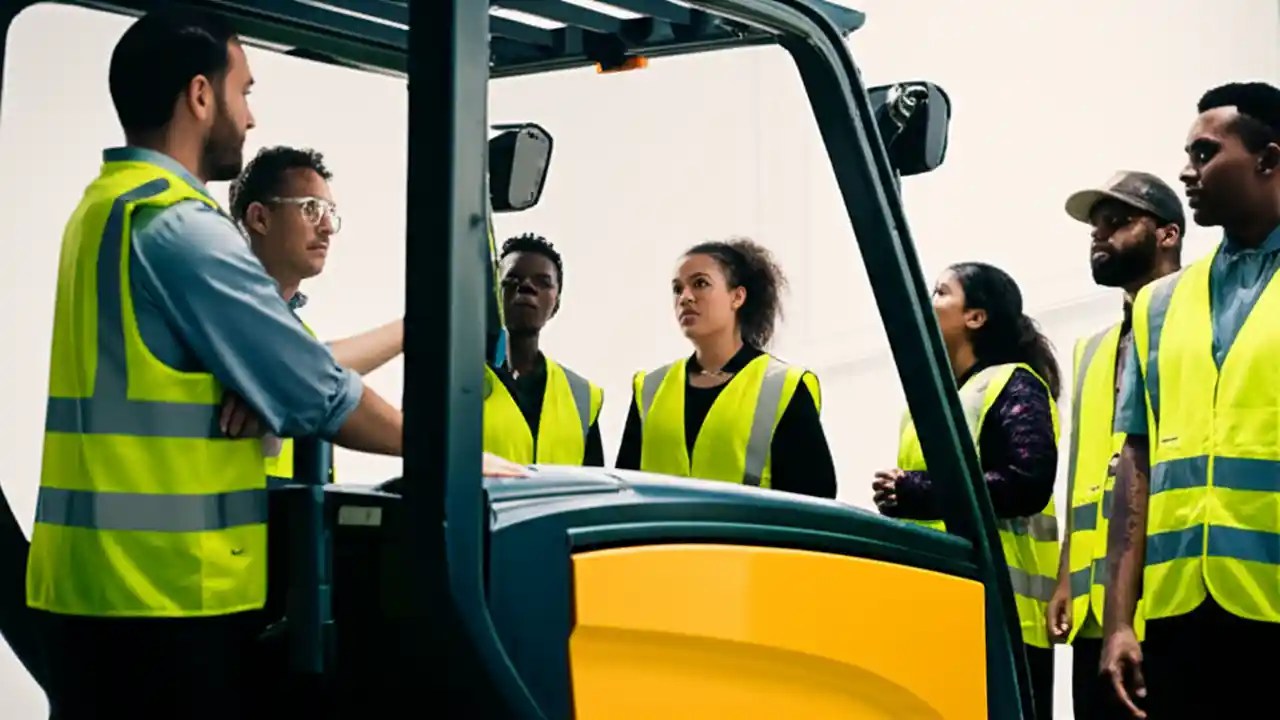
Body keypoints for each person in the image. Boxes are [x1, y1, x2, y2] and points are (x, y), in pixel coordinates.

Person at [24, 11, 520, 719]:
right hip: (163, 598)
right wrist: (448, 455)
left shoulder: (104, 210)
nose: (250, 117)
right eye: (243, 91)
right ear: (200, 95)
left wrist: (255, 379)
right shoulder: (181, 227)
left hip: (91, 591)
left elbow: (267, 369)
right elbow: (316, 390)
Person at [1101, 81, 1280, 719]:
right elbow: (1135, 463)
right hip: (1177, 614)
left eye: (1205, 153)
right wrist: (1119, 619)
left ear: (1268, 159)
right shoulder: (1158, 304)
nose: (1187, 170)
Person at [872, 261, 1061, 720]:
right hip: (940, 609)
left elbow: (1027, 482)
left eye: (940, 293)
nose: (926, 302)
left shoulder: (1012, 384)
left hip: (1002, 617)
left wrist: (915, 491)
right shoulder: (931, 403)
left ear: (975, 317)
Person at [1048, 171, 1183, 719]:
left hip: (1169, 597)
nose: (1100, 236)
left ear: (1167, 234)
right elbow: (1081, 469)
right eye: (1094, 228)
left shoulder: (1195, 321)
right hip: (1094, 609)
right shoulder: (1092, 350)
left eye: (1118, 222)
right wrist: (1064, 579)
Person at [225, 145, 405, 485]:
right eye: (310, 209)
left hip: (280, 525)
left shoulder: (296, 332)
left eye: (329, 212)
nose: (327, 227)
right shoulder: (227, 311)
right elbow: (311, 372)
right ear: (260, 218)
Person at [615, 237, 836, 499]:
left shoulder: (783, 387)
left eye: (700, 284)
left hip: (746, 540)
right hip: (662, 541)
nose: (685, 297)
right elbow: (624, 493)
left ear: (737, 297)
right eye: (677, 289)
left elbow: (814, 502)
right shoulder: (649, 389)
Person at [484, 233, 605, 465]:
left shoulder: (583, 396)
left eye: (543, 282)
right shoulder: (457, 384)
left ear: (556, 303)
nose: (527, 287)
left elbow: (593, 489)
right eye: (512, 279)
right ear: (495, 294)